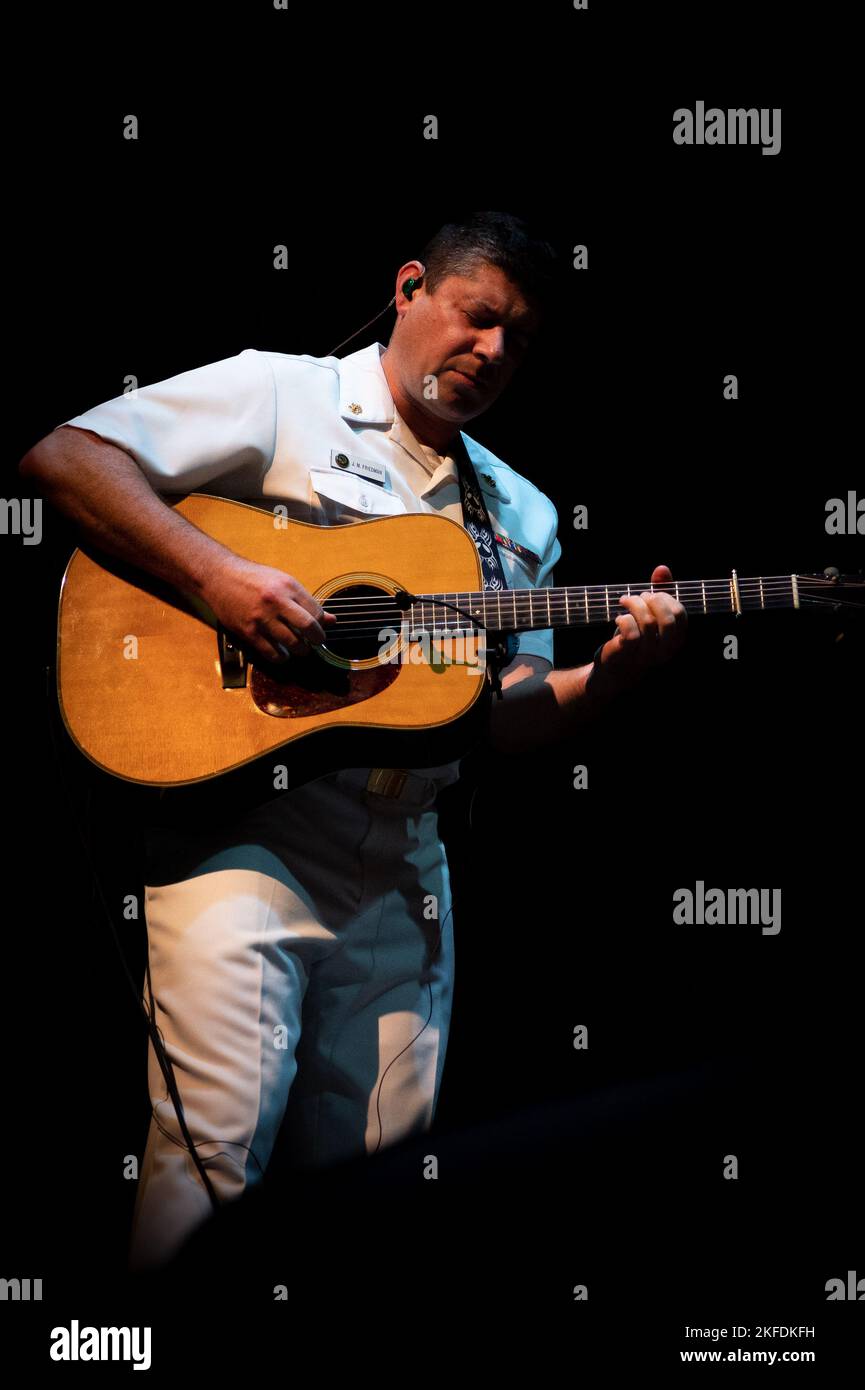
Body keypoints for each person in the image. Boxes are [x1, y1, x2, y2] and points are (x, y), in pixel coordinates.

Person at [19, 211, 687, 1271]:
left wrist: (611, 675)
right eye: (478, 317)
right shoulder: (283, 392)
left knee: (382, 1184)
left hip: (406, 872)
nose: (494, 352)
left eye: (519, 338)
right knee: (214, 1154)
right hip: (252, 832)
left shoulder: (519, 512)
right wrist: (222, 579)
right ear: (410, 288)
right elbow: (67, 457)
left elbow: (503, 714)